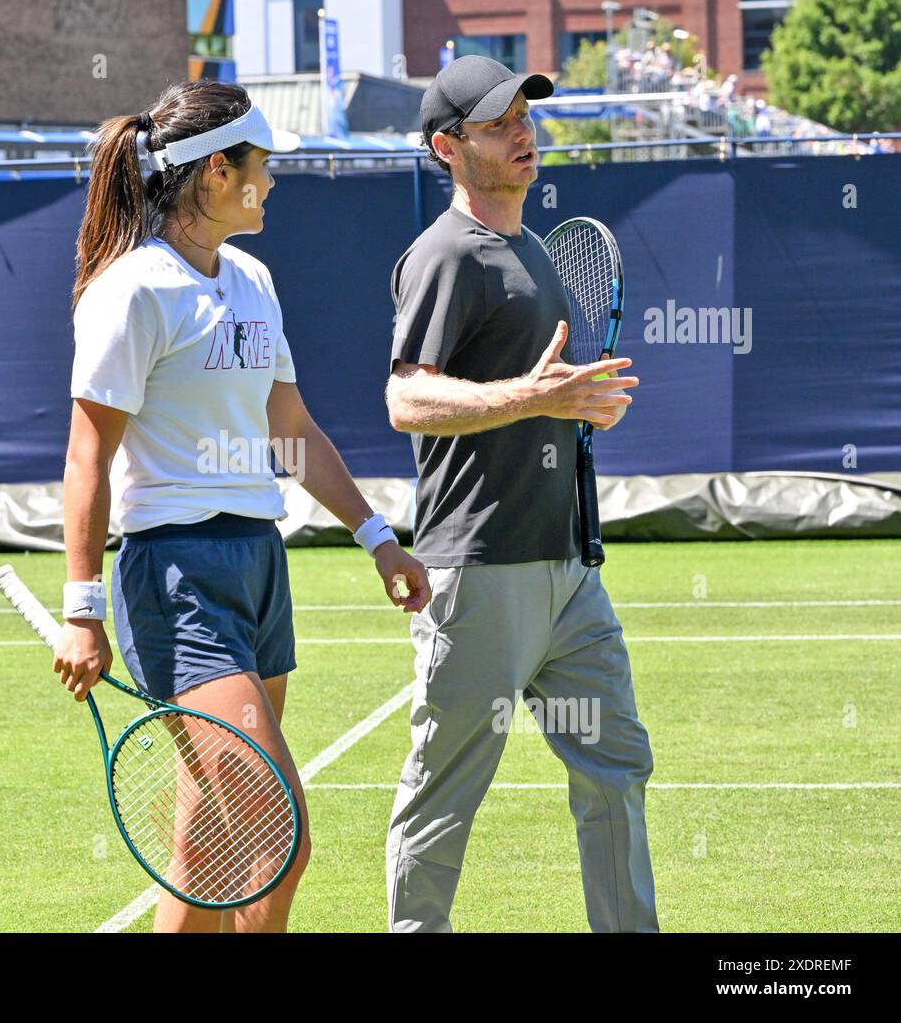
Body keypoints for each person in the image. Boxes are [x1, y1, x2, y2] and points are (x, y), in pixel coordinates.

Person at [55, 80, 430, 933]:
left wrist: (377, 536)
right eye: (263, 165)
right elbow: (87, 454)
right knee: (276, 840)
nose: (274, 180)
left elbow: (288, 427)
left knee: (206, 844)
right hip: (176, 575)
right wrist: (82, 607)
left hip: (259, 564)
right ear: (218, 171)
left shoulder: (255, 279)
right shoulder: (132, 292)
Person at [383, 55, 659, 933]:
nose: (521, 131)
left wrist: (577, 407)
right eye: (498, 122)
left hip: (569, 569)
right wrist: (538, 397)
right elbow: (406, 398)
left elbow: (530, 393)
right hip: (479, 571)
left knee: (617, 764)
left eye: (524, 115)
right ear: (447, 146)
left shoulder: (533, 247)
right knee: (445, 795)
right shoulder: (443, 255)